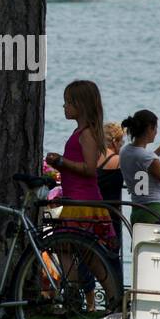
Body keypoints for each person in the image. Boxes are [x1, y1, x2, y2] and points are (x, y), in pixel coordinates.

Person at [45, 81, 118, 254]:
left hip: (82, 202)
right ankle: (70, 282)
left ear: (81, 105)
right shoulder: (79, 132)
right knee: (71, 251)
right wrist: (58, 164)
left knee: (74, 251)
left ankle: (72, 282)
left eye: (69, 102)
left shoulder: (86, 133)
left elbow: (89, 168)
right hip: (76, 199)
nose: (64, 105)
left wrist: (62, 161)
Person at [97, 121, 126, 253]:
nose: (122, 145)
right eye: (122, 142)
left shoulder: (93, 157)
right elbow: (139, 175)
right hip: (110, 215)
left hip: (92, 212)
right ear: (115, 141)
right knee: (111, 257)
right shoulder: (118, 161)